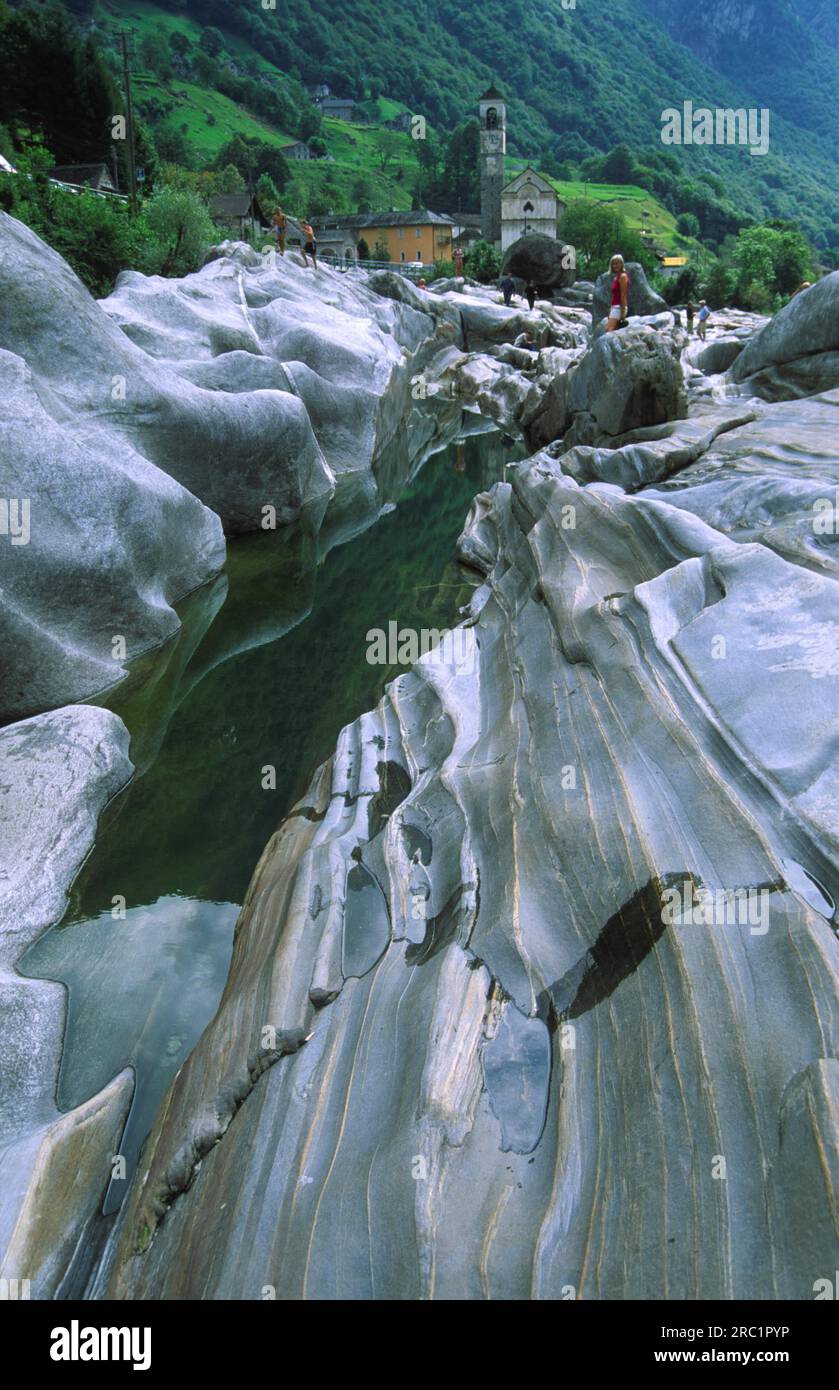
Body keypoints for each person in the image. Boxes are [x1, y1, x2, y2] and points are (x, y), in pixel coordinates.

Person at [606, 253, 629, 332]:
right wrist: (610, 309)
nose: (615, 266)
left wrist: (623, 313)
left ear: (621, 264)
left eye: (617, 263)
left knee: (609, 331)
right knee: (612, 331)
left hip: (619, 307)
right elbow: (614, 295)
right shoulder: (616, 278)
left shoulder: (623, 277)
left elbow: (623, 295)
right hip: (614, 307)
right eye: (613, 264)